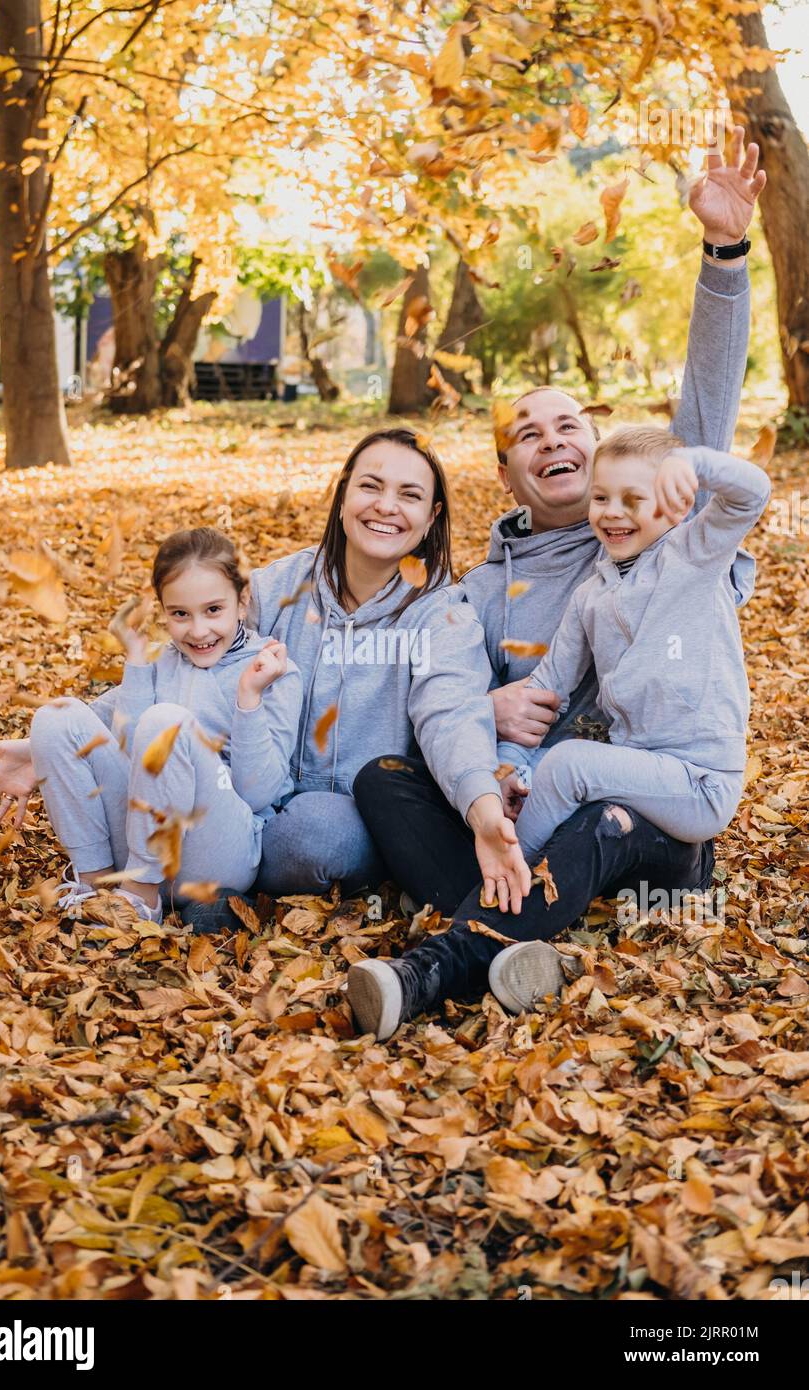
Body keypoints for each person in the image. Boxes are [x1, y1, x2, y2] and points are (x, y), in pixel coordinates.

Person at [349, 131, 768, 1040]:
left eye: (568, 423)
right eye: (528, 434)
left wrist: (725, 255)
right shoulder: (476, 585)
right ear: (507, 473)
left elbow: (707, 412)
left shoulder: (663, 529)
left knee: (597, 812)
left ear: (600, 445)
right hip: (537, 799)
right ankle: (523, 928)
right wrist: (487, 725)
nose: (554, 441)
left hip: (639, 806)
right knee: (384, 780)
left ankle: (445, 960)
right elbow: (448, 684)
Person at [486, 428, 770, 1006]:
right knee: (544, 768)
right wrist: (510, 766)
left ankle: (503, 877)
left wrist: (694, 462)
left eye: (633, 500)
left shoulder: (693, 554)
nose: (612, 513)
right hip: (641, 771)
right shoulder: (592, 593)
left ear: (673, 503)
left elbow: (754, 493)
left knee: (567, 765)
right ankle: (518, 886)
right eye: (601, 497)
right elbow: (547, 687)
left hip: (700, 781)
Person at [0, 527, 302, 920]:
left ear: (242, 602)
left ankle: (142, 897)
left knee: (166, 722)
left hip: (218, 850)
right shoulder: (160, 661)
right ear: (162, 611)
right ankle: (98, 887)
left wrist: (249, 699)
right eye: (179, 614)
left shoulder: (274, 669)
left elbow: (257, 793)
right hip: (139, 845)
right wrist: (138, 665)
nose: (198, 630)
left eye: (213, 610)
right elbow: (113, 745)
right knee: (56, 716)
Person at [247, 427, 505, 898]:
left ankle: (234, 875)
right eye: (370, 486)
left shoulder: (441, 614)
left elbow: (451, 715)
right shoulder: (274, 588)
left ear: (432, 517)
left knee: (315, 833)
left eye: (410, 495)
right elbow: (202, 667)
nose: (386, 506)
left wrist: (483, 809)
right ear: (342, 493)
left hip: (355, 819)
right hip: (253, 799)